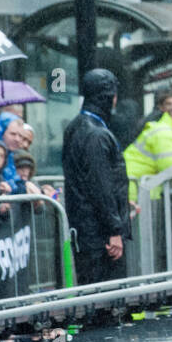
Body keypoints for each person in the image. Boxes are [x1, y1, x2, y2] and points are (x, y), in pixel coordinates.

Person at [63, 68, 131, 285]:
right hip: (100, 234)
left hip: (87, 229)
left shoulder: (76, 127)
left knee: (93, 294)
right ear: (108, 97)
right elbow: (100, 185)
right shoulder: (97, 134)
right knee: (107, 299)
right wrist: (114, 229)